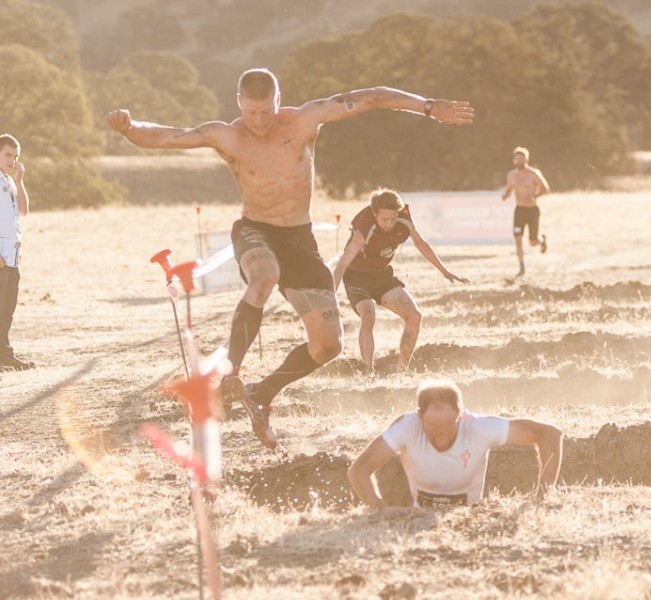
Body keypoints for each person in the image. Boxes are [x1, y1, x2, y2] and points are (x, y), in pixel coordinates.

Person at [107, 68, 473, 449]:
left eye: (267, 111)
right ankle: (229, 375)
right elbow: (167, 137)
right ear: (239, 103)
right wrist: (130, 128)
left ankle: (261, 395)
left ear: (279, 100)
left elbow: (372, 96)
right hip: (255, 231)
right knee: (264, 275)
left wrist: (428, 107)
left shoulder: (304, 121)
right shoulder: (226, 135)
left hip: (299, 240)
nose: (259, 121)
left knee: (328, 346)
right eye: (251, 112)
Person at [348, 379, 563, 510]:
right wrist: (379, 510)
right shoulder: (407, 426)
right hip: (419, 523)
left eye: (448, 430)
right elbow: (358, 470)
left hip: (470, 519)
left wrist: (543, 496)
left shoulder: (478, 427)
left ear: (460, 415)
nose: (441, 438)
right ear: (420, 416)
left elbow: (549, 434)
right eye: (433, 430)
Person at [332, 188, 469, 375]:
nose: (389, 224)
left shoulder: (404, 220)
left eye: (393, 219)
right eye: (384, 219)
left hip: (382, 276)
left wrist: (445, 271)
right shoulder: (365, 226)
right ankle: (368, 373)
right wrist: (330, 297)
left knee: (414, 316)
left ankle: (402, 371)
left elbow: (421, 244)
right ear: (374, 213)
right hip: (357, 277)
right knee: (368, 314)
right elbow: (342, 263)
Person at [0, 134, 33, 371]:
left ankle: (4, 355)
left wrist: (19, 181)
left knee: (7, 308)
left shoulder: (9, 181)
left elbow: (23, 210)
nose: (12, 161)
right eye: (7, 155)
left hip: (12, 256)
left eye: (16, 156)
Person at [501, 146, 550, 278]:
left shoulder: (533, 173)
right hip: (519, 211)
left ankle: (541, 240)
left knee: (532, 242)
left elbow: (545, 188)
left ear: (526, 160)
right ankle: (522, 267)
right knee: (518, 238)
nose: (519, 161)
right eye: (516, 159)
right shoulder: (511, 175)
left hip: (532, 210)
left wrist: (536, 195)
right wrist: (506, 195)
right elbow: (509, 189)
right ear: (513, 160)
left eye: (521, 159)